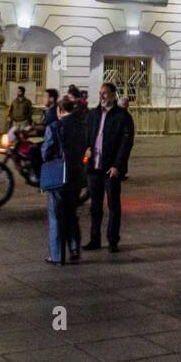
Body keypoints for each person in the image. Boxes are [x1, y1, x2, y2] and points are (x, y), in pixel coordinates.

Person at [83, 82, 135, 253]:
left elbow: (125, 144)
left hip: (110, 169)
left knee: (113, 205)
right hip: (94, 168)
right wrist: (86, 148)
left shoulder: (122, 117)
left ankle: (113, 240)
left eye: (105, 93)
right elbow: (85, 135)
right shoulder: (93, 114)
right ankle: (94, 239)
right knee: (95, 206)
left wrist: (117, 166)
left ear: (113, 94)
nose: (102, 96)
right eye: (100, 93)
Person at [42, 94, 88, 264]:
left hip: (58, 177)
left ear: (60, 110)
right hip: (76, 176)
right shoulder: (81, 126)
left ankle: (56, 255)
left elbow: (46, 152)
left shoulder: (54, 127)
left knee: (55, 216)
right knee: (71, 213)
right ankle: (74, 248)